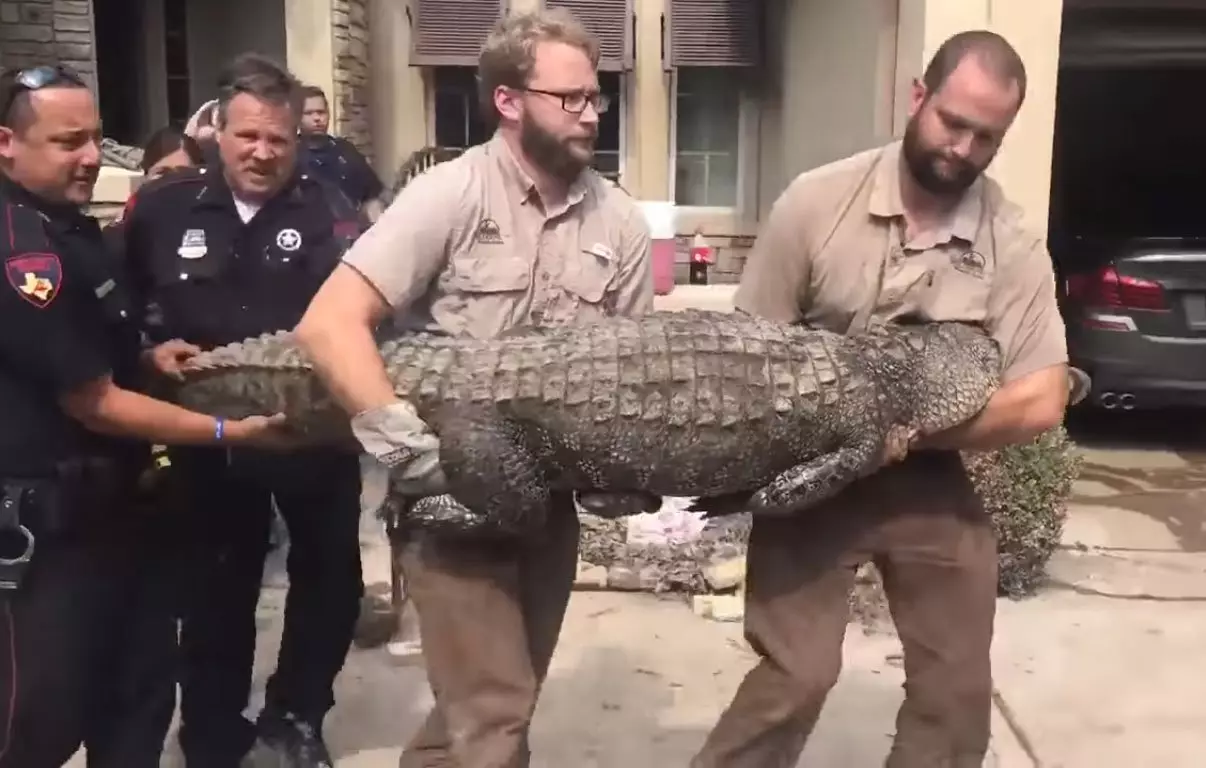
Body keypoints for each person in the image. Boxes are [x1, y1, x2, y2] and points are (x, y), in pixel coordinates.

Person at [688, 31, 1070, 768]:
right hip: (812, 474)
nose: (961, 147)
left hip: (929, 472)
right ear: (918, 97)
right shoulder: (817, 203)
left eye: (985, 136)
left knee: (957, 693)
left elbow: (1042, 400)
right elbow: (738, 364)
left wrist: (905, 432)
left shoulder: (1013, 242)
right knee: (796, 677)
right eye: (952, 122)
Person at [293, 9, 654, 766]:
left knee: (489, 712)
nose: (592, 115)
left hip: (550, 509)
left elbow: (629, 370)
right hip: (448, 496)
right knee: (493, 717)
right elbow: (329, 324)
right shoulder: (448, 196)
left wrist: (628, 470)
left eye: (598, 97)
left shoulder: (618, 220)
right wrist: (403, 447)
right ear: (510, 101)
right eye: (573, 99)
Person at [0, 62, 294, 768]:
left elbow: (103, 350)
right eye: (68, 142)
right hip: (46, 540)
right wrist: (229, 431)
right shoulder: (21, 255)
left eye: (96, 138)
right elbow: (92, 402)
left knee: (135, 704)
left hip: (122, 518)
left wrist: (149, 358)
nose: (92, 157)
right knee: (40, 722)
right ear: (7, 144)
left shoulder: (72, 230)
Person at [119, 52, 368, 768]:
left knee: (328, 580)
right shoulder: (162, 208)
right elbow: (120, 306)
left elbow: (372, 319)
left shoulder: (334, 214)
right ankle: (210, 726)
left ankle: (296, 713)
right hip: (206, 436)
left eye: (278, 139)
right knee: (213, 585)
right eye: (247, 136)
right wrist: (147, 349)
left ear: (299, 140)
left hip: (310, 431)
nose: (262, 152)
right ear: (217, 132)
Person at [298, 84, 385, 221]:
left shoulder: (346, 151)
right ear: (297, 117)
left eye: (321, 112)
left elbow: (371, 198)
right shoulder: (289, 155)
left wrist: (378, 228)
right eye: (309, 113)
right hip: (304, 233)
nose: (317, 118)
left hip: (345, 230)